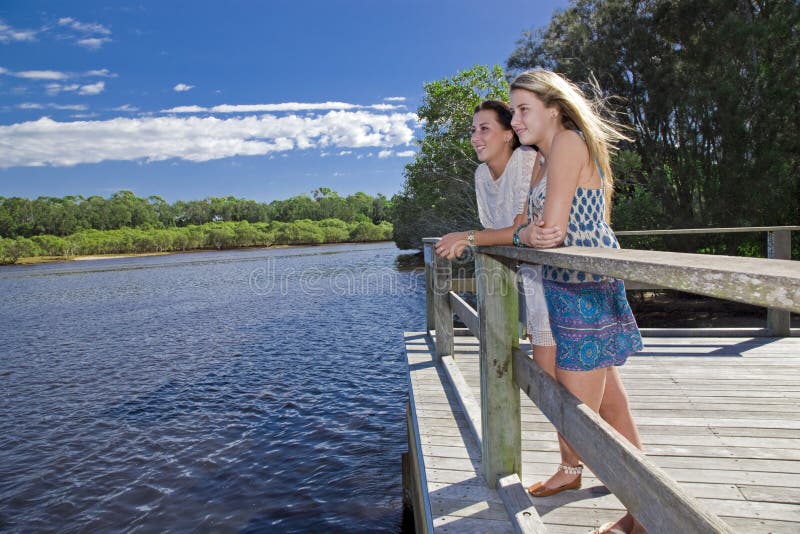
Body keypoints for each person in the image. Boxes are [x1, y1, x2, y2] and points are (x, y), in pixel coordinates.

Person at [510, 69, 646, 534]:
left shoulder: (568, 142)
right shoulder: (541, 158)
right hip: (564, 284)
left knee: (580, 418)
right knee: (608, 409)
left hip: (585, 284)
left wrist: (529, 233)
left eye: (523, 109)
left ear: (554, 109)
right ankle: (641, 514)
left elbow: (548, 230)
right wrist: (526, 232)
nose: (515, 120)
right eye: (512, 111)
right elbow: (531, 227)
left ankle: (642, 512)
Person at [434, 100, 583, 499]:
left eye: (485, 129)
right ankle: (577, 466)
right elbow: (498, 230)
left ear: (507, 134)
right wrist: (480, 237)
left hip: (559, 276)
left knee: (560, 380)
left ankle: (574, 467)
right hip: (530, 280)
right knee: (564, 377)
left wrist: (467, 238)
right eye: (472, 130)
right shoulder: (482, 174)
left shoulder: (527, 160)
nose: (476, 137)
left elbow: (518, 229)